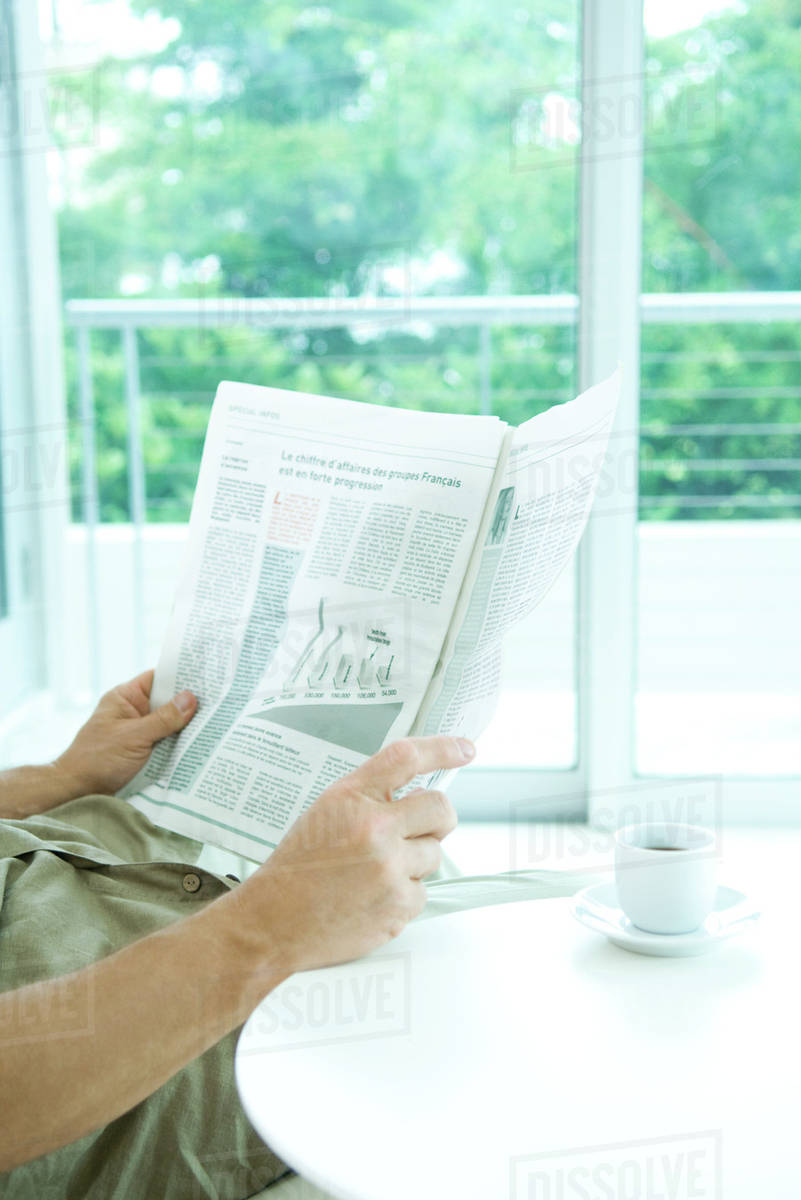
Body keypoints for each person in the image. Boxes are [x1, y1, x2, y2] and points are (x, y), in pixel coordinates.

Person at [0, 671, 597, 1199]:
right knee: (568, 937)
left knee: (420, 866)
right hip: (98, 1032)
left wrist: (62, 775)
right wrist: (267, 926)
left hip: (72, 848)